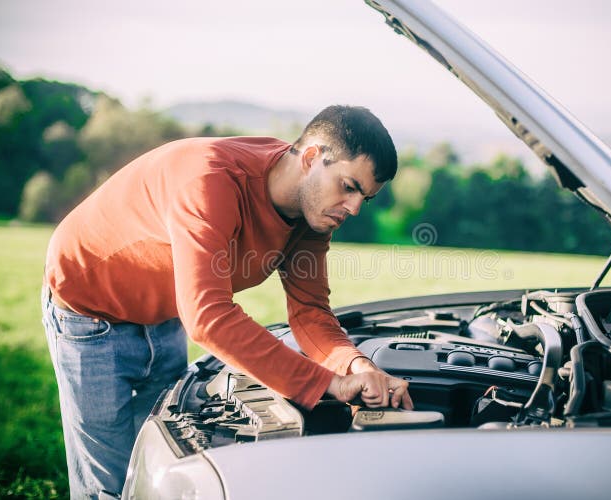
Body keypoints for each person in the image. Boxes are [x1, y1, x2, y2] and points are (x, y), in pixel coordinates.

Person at [41, 105, 413, 499]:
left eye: (365, 198)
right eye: (349, 187)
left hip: (167, 312)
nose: (354, 208)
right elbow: (207, 316)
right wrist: (329, 383)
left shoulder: (313, 215)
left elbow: (311, 313)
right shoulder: (211, 179)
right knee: (110, 487)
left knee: (158, 465)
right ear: (310, 158)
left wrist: (357, 366)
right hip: (88, 310)